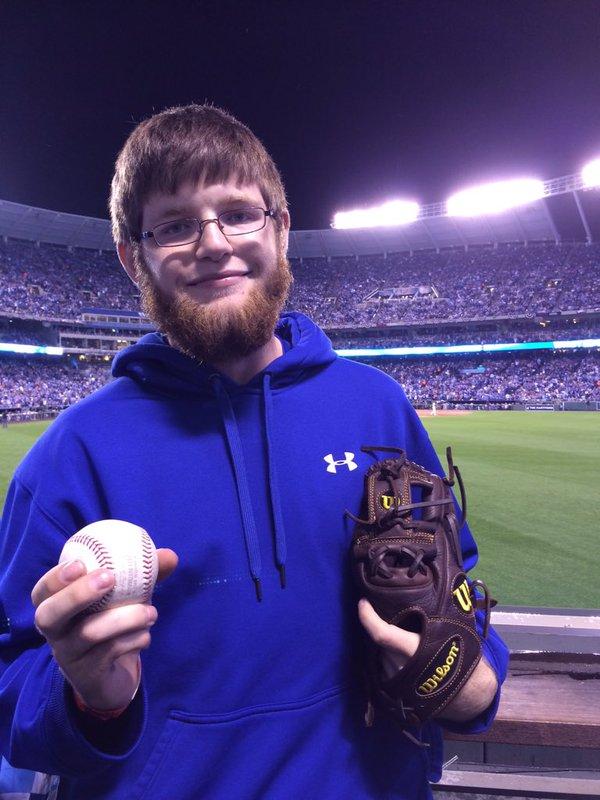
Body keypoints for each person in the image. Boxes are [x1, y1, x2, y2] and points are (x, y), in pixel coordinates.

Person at [0, 104, 508, 800]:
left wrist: (475, 681)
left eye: (239, 213)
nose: (214, 242)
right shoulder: (71, 457)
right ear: (132, 257)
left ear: (282, 230)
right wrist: (88, 695)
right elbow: (11, 694)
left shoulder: (376, 407)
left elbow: (457, 588)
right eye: (175, 224)